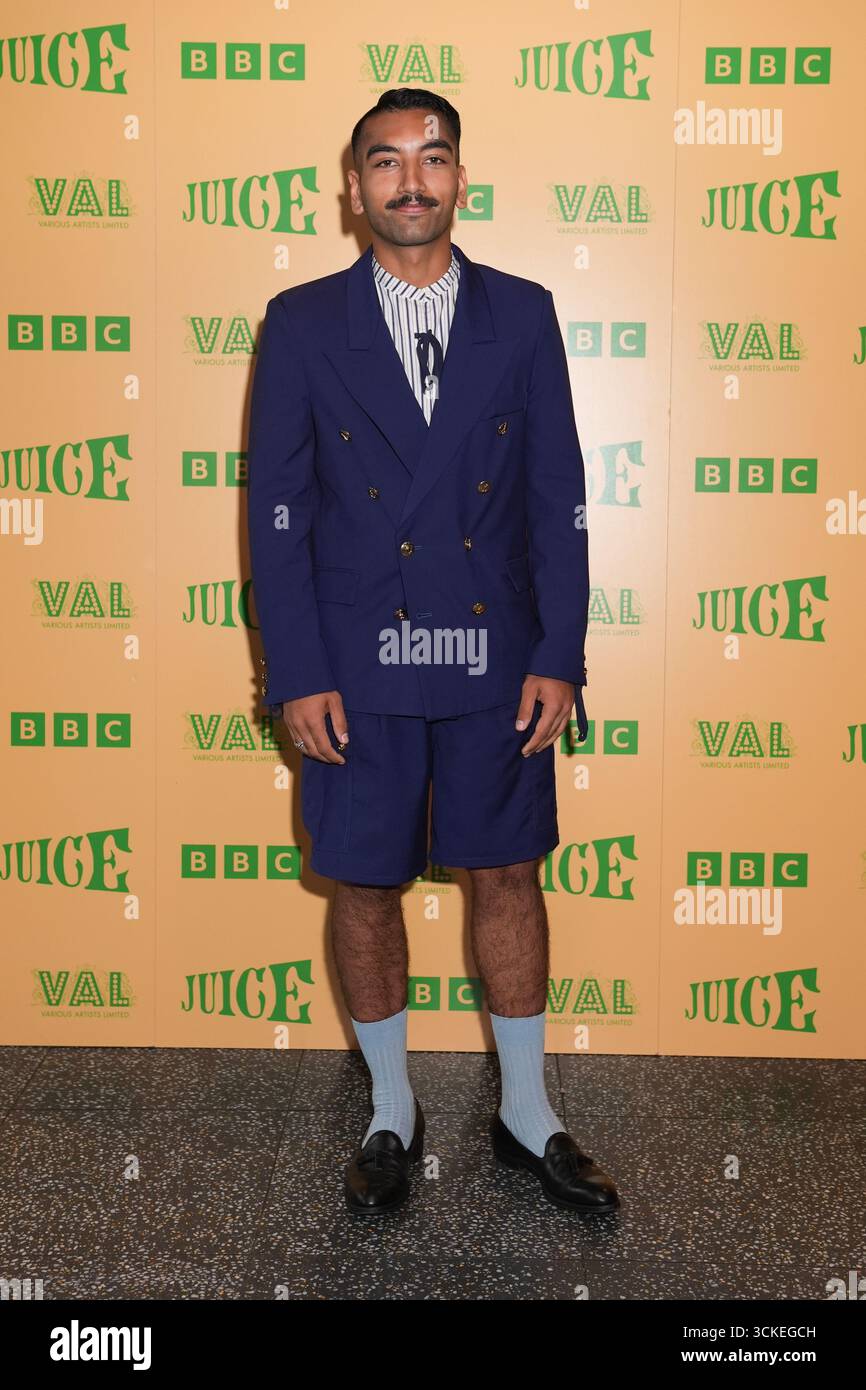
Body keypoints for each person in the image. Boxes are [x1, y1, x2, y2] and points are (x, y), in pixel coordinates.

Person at [247, 86, 619, 1218]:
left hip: (494, 657)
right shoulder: (302, 322)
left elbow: (556, 497)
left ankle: (524, 1109)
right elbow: (278, 508)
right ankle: (391, 1108)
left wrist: (558, 649)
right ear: (352, 186)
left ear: (461, 178)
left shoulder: (524, 311)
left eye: (432, 158)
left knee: (507, 873)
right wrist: (296, 669)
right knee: (363, 883)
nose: (410, 180)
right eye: (385, 162)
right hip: (354, 662)